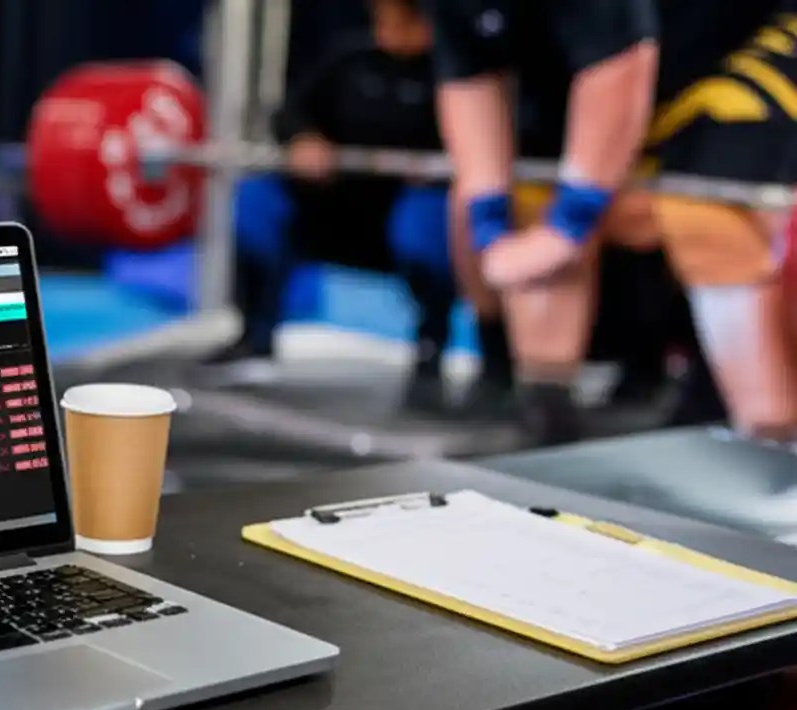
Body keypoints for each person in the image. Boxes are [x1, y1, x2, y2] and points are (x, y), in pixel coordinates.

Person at [429, 0, 797, 443]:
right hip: (604, 66)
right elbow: (470, 81)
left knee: (707, 214)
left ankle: (770, 441)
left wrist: (567, 227)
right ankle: (546, 416)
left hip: (738, 43)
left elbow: (621, 67)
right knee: (529, 199)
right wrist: (491, 227)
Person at [229, 0, 519, 413]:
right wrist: (303, 137)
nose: (389, 32)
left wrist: (444, 165)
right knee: (258, 199)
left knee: (427, 222)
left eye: (400, 22)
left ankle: (432, 350)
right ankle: (253, 333)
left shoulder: (459, 71)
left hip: (412, 214)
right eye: (382, 21)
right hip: (338, 207)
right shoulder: (350, 61)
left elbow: (486, 138)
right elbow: (291, 111)